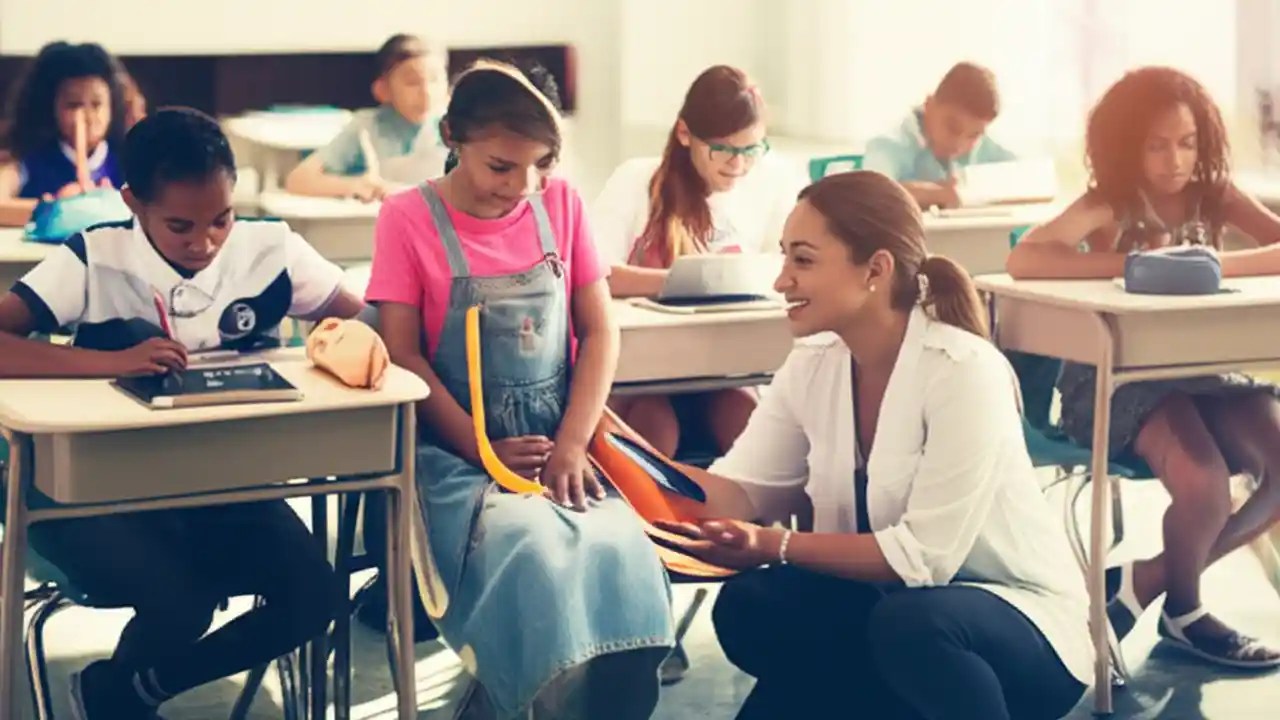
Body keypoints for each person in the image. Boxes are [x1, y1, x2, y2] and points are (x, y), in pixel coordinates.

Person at [654, 170, 1093, 719]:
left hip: (1017, 633)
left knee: (912, 625)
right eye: (785, 258)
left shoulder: (963, 369)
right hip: (896, 623)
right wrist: (609, 450)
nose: (781, 281)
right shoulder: (814, 364)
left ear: (876, 270)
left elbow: (921, 559)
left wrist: (773, 546)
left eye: (804, 260)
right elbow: (736, 495)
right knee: (752, 606)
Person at [0, 107, 363, 718]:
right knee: (182, 596)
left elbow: (365, 323)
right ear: (133, 203)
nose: (205, 242)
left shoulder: (269, 248)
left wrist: (333, 346)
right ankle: (121, 696)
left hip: (225, 483)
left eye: (221, 218)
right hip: (100, 491)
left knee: (314, 593)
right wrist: (112, 362)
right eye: (180, 226)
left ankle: (124, 691)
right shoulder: (96, 255)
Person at [365, 59, 673, 719]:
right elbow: (404, 355)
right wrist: (484, 453)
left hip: (565, 439)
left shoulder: (560, 204)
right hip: (454, 454)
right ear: (453, 137)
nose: (524, 186)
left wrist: (570, 443)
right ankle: (517, 704)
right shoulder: (405, 218)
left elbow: (600, 333)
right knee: (534, 550)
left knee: (625, 544)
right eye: (501, 167)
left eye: (542, 165)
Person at [1007, 66, 1280, 668]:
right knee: (1205, 488)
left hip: (1204, 369)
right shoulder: (1110, 201)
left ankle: (1149, 582)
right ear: (1127, 145)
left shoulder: (1216, 196)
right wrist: (1123, 261)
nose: (1174, 160)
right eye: (1156, 145)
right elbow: (1026, 258)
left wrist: (1210, 266)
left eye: (1186, 143)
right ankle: (1189, 612)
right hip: (1125, 378)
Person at [592, 65, 804, 458]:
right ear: (685, 133)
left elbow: (786, 266)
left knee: (750, 426)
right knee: (655, 428)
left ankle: (741, 519)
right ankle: (654, 520)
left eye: (750, 150)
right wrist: (683, 282)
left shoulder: (774, 182)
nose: (737, 164)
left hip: (726, 363)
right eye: (723, 149)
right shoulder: (639, 181)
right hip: (648, 372)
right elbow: (596, 275)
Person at [285, 33, 449, 201]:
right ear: (383, 90)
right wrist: (357, 185)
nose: (426, 93)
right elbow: (298, 180)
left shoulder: (459, 125)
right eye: (412, 82)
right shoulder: (367, 127)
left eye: (435, 80)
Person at [0, 41, 128, 226]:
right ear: (50, 108)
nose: (86, 116)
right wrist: (57, 209)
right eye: (73, 105)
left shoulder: (127, 161)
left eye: (96, 104)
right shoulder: (28, 161)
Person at [863, 61, 1016, 209]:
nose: (959, 144)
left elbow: (1025, 179)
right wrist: (938, 194)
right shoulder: (888, 145)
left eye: (974, 135)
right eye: (952, 128)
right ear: (929, 105)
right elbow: (871, 194)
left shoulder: (986, 148)